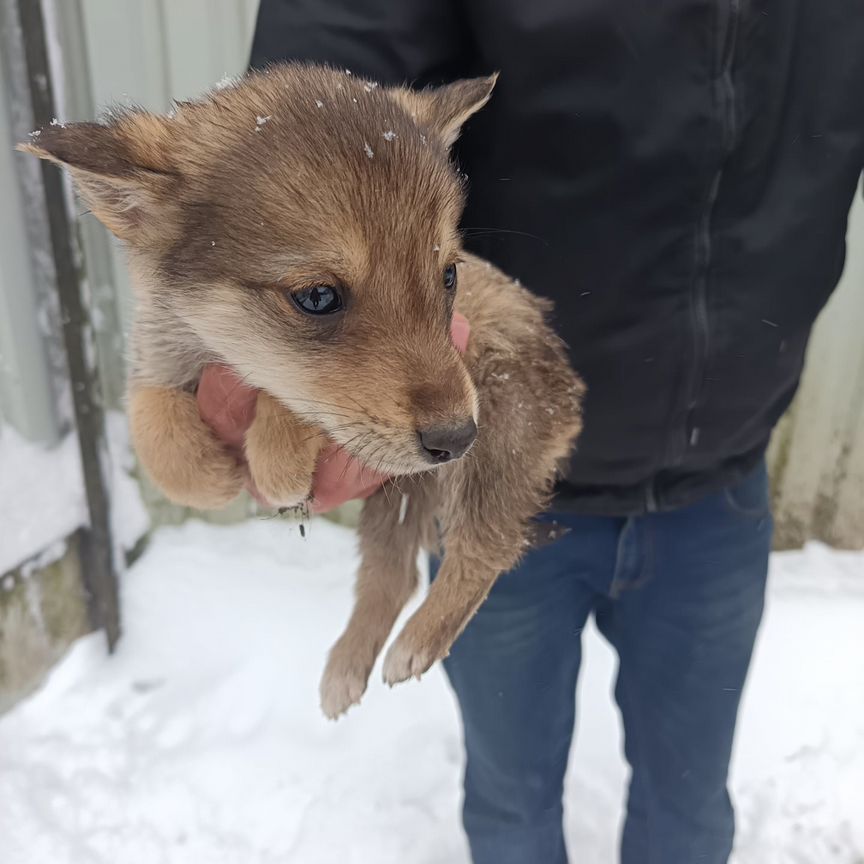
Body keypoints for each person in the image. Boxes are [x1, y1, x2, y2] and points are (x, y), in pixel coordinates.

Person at [196, 3, 864, 862]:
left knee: (691, 814)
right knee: (511, 805)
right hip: (493, 485)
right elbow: (329, 76)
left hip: (720, 499)